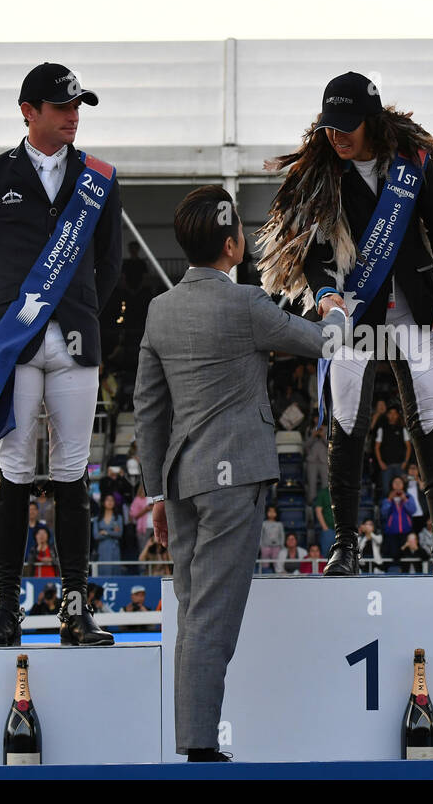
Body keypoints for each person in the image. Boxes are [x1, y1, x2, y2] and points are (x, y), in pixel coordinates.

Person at [132, 185, 348, 763]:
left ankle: (193, 739)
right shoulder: (246, 303)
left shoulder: (159, 310)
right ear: (231, 247)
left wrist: (155, 492)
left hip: (180, 482)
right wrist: (334, 308)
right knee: (211, 616)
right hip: (234, 478)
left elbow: (149, 413)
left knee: (192, 610)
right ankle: (199, 746)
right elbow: (325, 343)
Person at [256, 71, 433, 578]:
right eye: (330, 126)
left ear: (371, 120)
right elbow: (308, 244)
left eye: (347, 126)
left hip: (417, 305)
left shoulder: (413, 160)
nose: (337, 137)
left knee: (429, 423)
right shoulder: (322, 169)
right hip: (354, 308)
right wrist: (324, 290)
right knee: (347, 422)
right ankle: (345, 545)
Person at [0, 62, 122, 648]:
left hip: (76, 342)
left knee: (74, 474)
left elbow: (113, 265)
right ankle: (7, 609)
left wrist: (81, 315)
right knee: (16, 472)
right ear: (28, 111)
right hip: (15, 343)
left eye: (78, 106)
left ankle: (76, 610)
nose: (73, 115)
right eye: (61, 107)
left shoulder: (99, 177)